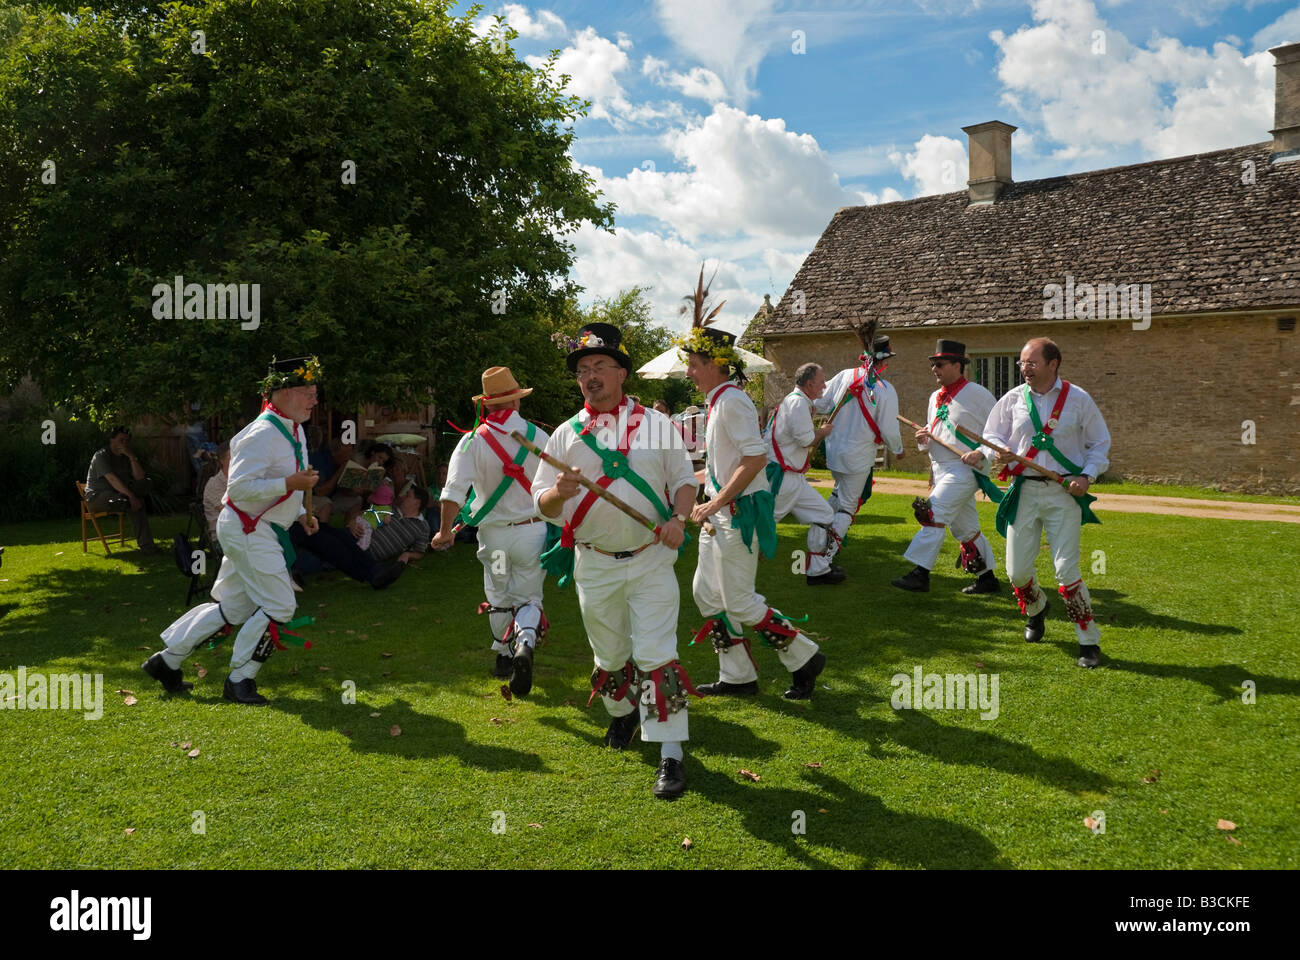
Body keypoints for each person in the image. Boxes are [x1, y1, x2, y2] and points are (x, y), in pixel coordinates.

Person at [532, 322, 698, 799]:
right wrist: (555, 495)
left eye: (600, 366)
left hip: (650, 560)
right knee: (609, 656)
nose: (590, 376)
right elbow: (539, 500)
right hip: (595, 563)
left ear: (623, 372)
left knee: (656, 654)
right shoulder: (565, 435)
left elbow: (683, 482)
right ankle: (624, 715)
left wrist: (680, 520)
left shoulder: (657, 425)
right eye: (583, 370)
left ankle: (670, 752)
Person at [141, 357, 323, 704]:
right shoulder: (260, 434)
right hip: (249, 529)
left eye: (315, 393)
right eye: (308, 392)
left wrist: (300, 512)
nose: (315, 400)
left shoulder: (293, 428)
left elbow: (285, 484)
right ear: (283, 393)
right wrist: (290, 482)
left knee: (233, 609)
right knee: (281, 606)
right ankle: (239, 680)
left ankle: (167, 661)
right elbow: (238, 489)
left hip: (259, 528)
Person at [680, 293, 827, 703]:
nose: (688, 371)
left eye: (693, 363)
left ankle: (804, 655)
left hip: (738, 513)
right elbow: (720, 468)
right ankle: (738, 675)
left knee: (740, 601)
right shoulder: (718, 403)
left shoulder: (732, 403)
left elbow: (755, 458)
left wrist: (712, 503)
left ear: (714, 365)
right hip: (723, 511)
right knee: (706, 594)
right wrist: (678, 482)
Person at [961, 337, 1111, 667]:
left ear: (1053, 364)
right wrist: (984, 453)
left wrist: (1086, 476)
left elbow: (1100, 443)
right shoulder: (1012, 400)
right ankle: (1036, 607)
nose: (1024, 369)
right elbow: (993, 436)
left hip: (1063, 494)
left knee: (1066, 568)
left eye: (1031, 363)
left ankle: (1088, 641)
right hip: (1024, 491)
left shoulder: (1079, 400)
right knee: (1016, 572)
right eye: (1021, 364)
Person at [432, 366, 550, 696]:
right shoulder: (539, 437)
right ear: (515, 402)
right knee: (528, 595)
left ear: (487, 405)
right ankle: (524, 643)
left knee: (498, 596)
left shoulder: (472, 442)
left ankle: (503, 653)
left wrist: (444, 531)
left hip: (495, 537)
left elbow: (453, 491)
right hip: (532, 534)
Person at [893, 340, 1001, 595]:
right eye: (933, 364)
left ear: (957, 365)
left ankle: (920, 573)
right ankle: (987, 579)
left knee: (932, 512)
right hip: (941, 469)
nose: (934, 369)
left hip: (965, 469)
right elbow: (936, 434)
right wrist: (924, 440)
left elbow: (998, 433)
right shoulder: (935, 397)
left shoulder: (978, 394)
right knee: (965, 528)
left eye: (939, 364)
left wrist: (981, 453)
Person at [813, 336, 904, 557]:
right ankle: (822, 561)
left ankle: (814, 545)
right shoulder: (885, 389)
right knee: (846, 507)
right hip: (858, 458)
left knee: (835, 498)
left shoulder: (844, 376)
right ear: (883, 362)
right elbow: (889, 428)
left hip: (834, 455)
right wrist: (898, 449)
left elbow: (820, 403)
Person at [767, 362, 843, 585]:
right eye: (821, 382)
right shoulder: (798, 404)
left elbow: (792, 442)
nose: (825, 385)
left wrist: (801, 463)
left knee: (824, 514)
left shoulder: (796, 402)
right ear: (809, 384)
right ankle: (731, 563)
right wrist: (823, 432)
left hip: (792, 477)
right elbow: (806, 439)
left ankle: (817, 571)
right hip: (782, 479)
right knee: (761, 525)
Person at [83, 426, 158, 554]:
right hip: (98, 497)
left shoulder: (126, 456)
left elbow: (140, 477)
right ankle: (147, 546)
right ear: (111, 440)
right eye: (121, 440)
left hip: (118, 493)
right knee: (128, 500)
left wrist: (131, 457)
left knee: (145, 484)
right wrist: (132, 497)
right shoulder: (101, 455)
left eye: (127, 441)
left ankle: (147, 547)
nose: (124, 443)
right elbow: (112, 480)